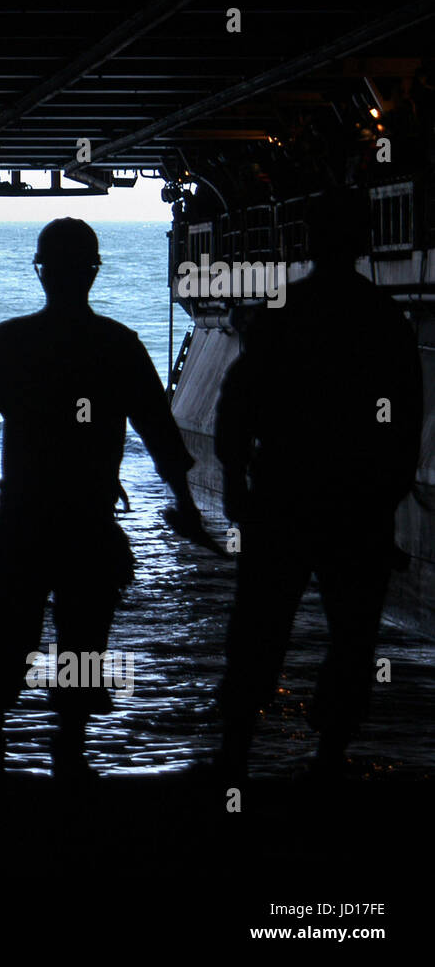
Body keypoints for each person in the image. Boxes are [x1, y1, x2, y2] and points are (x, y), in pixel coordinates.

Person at [0, 218, 203, 778]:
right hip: (89, 523)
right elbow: (163, 441)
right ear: (94, 273)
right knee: (83, 641)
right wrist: (188, 509)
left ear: (41, 273)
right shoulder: (119, 347)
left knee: (0, 634)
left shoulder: (14, 344)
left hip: (23, 520)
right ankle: (70, 761)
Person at [213, 189, 422, 779]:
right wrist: (388, 493)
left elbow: (238, 400)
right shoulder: (383, 320)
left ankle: (234, 754)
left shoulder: (281, 314)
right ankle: (330, 755)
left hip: (282, 496)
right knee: (353, 636)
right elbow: (403, 417)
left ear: (306, 241)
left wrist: (232, 475)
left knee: (258, 627)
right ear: (363, 242)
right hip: (356, 504)